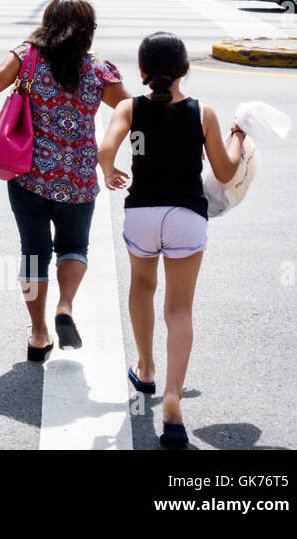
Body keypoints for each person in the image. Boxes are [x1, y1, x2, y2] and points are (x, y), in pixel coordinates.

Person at [0, 0, 128, 361]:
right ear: (89, 33)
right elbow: (132, 110)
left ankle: (38, 332)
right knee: (74, 248)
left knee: (33, 254)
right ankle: (65, 305)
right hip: (78, 179)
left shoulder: (26, 58)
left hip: (28, 175)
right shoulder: (99, 72)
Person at [98, 32, 244, 449]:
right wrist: (239, 136)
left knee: (141, 289)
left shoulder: (129, 107)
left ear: (142, 73)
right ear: (186, 69)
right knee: (179, 310)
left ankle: (145, 369)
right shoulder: (204, 114)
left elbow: (105, 148)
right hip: (186, 216)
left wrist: (110, 172)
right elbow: (226, 170)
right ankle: (174, 399)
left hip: (142, 213)